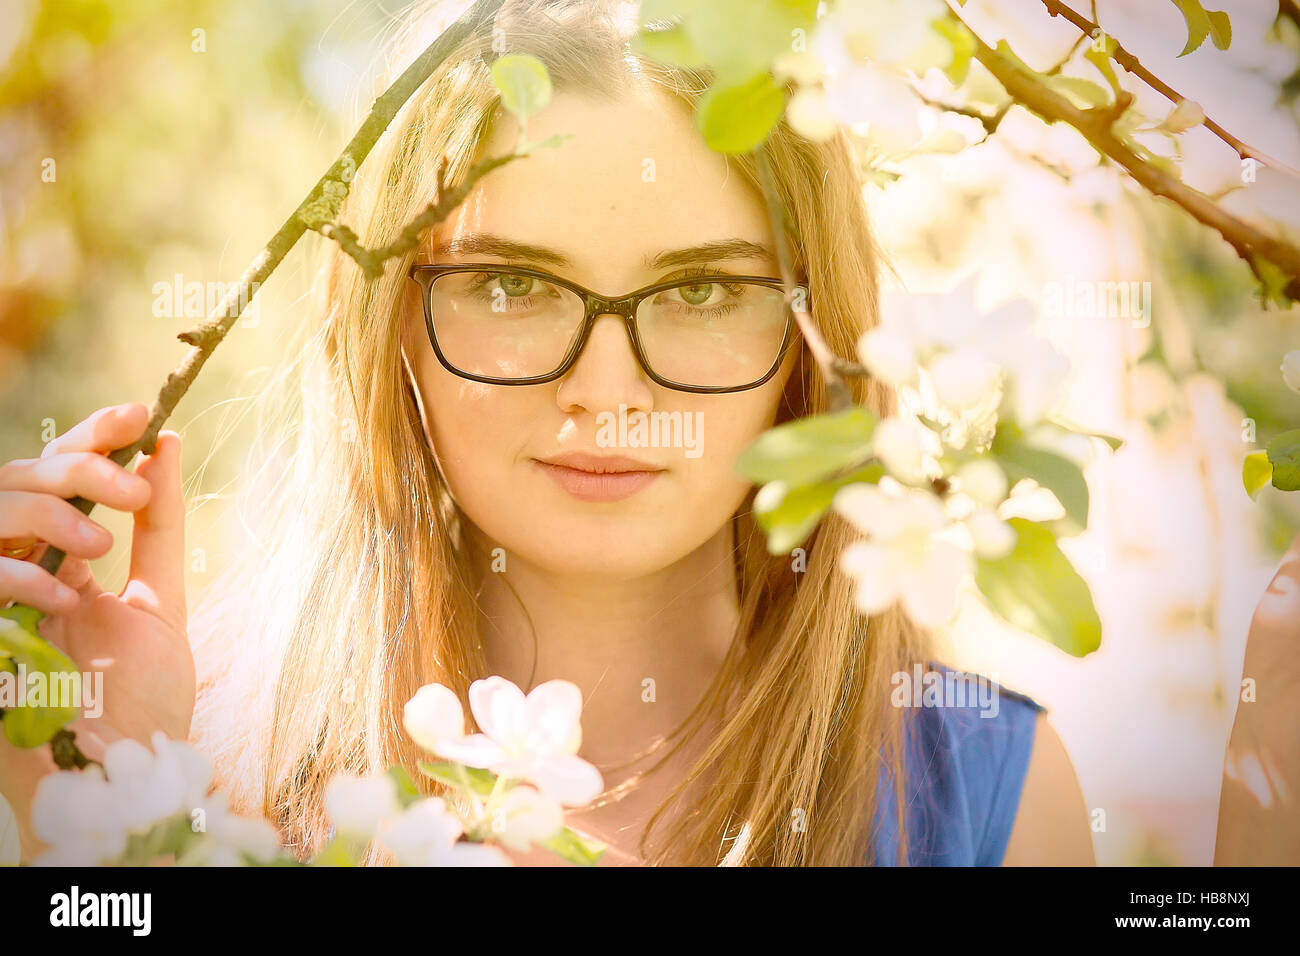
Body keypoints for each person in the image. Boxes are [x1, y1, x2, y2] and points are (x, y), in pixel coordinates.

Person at [0, 0, 1289, 867]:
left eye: (697, 293)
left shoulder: (977, 796)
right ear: (393, 327)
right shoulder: (212, 737)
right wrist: (94, 814)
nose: (606, 388)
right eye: (510, 285)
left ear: (815, 333)